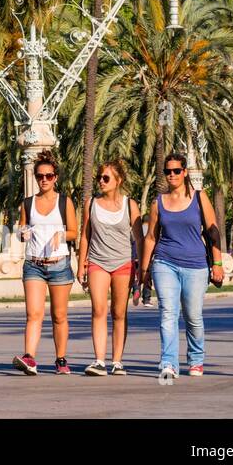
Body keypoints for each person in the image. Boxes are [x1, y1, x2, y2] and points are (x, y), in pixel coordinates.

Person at [140, 152, 225, 380]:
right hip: (165, 262)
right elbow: (150, 238)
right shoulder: (158, 202)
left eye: (176, 171)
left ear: (185, 172)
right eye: (167, 171)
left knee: (193, 316)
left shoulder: (199, 197)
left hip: (196, 265)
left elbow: (213, 229)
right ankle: (168, 362)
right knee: (168, 313)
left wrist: (217, 263)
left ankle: (196, 359)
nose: (172, 175)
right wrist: (144, 269)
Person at [12, 151, 78, 376]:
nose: (44, 180)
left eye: (49, 176)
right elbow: (21, 229)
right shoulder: (28, 203)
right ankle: (29, 357)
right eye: (40, 176)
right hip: (34, 265)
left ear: (56, 177)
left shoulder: (64, 202)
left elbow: (74, 231)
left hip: (59, 265)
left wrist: (61, 234)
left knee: (59, 316)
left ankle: (61, 359)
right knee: (33, 313)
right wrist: (23, 233)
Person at [77, 159, 143, 376]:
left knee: (119, 312)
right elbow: (85, 235)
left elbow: (139, 239)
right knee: (98, 309)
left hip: (123, 263)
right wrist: (81, 264)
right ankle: (99, 361)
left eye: (106, 178)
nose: (101, 181)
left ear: (118, 180)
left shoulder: (130, 205)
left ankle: (117, 362)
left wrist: (142, 268)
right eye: (99, 177)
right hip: (98, 262)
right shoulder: (91, 204)